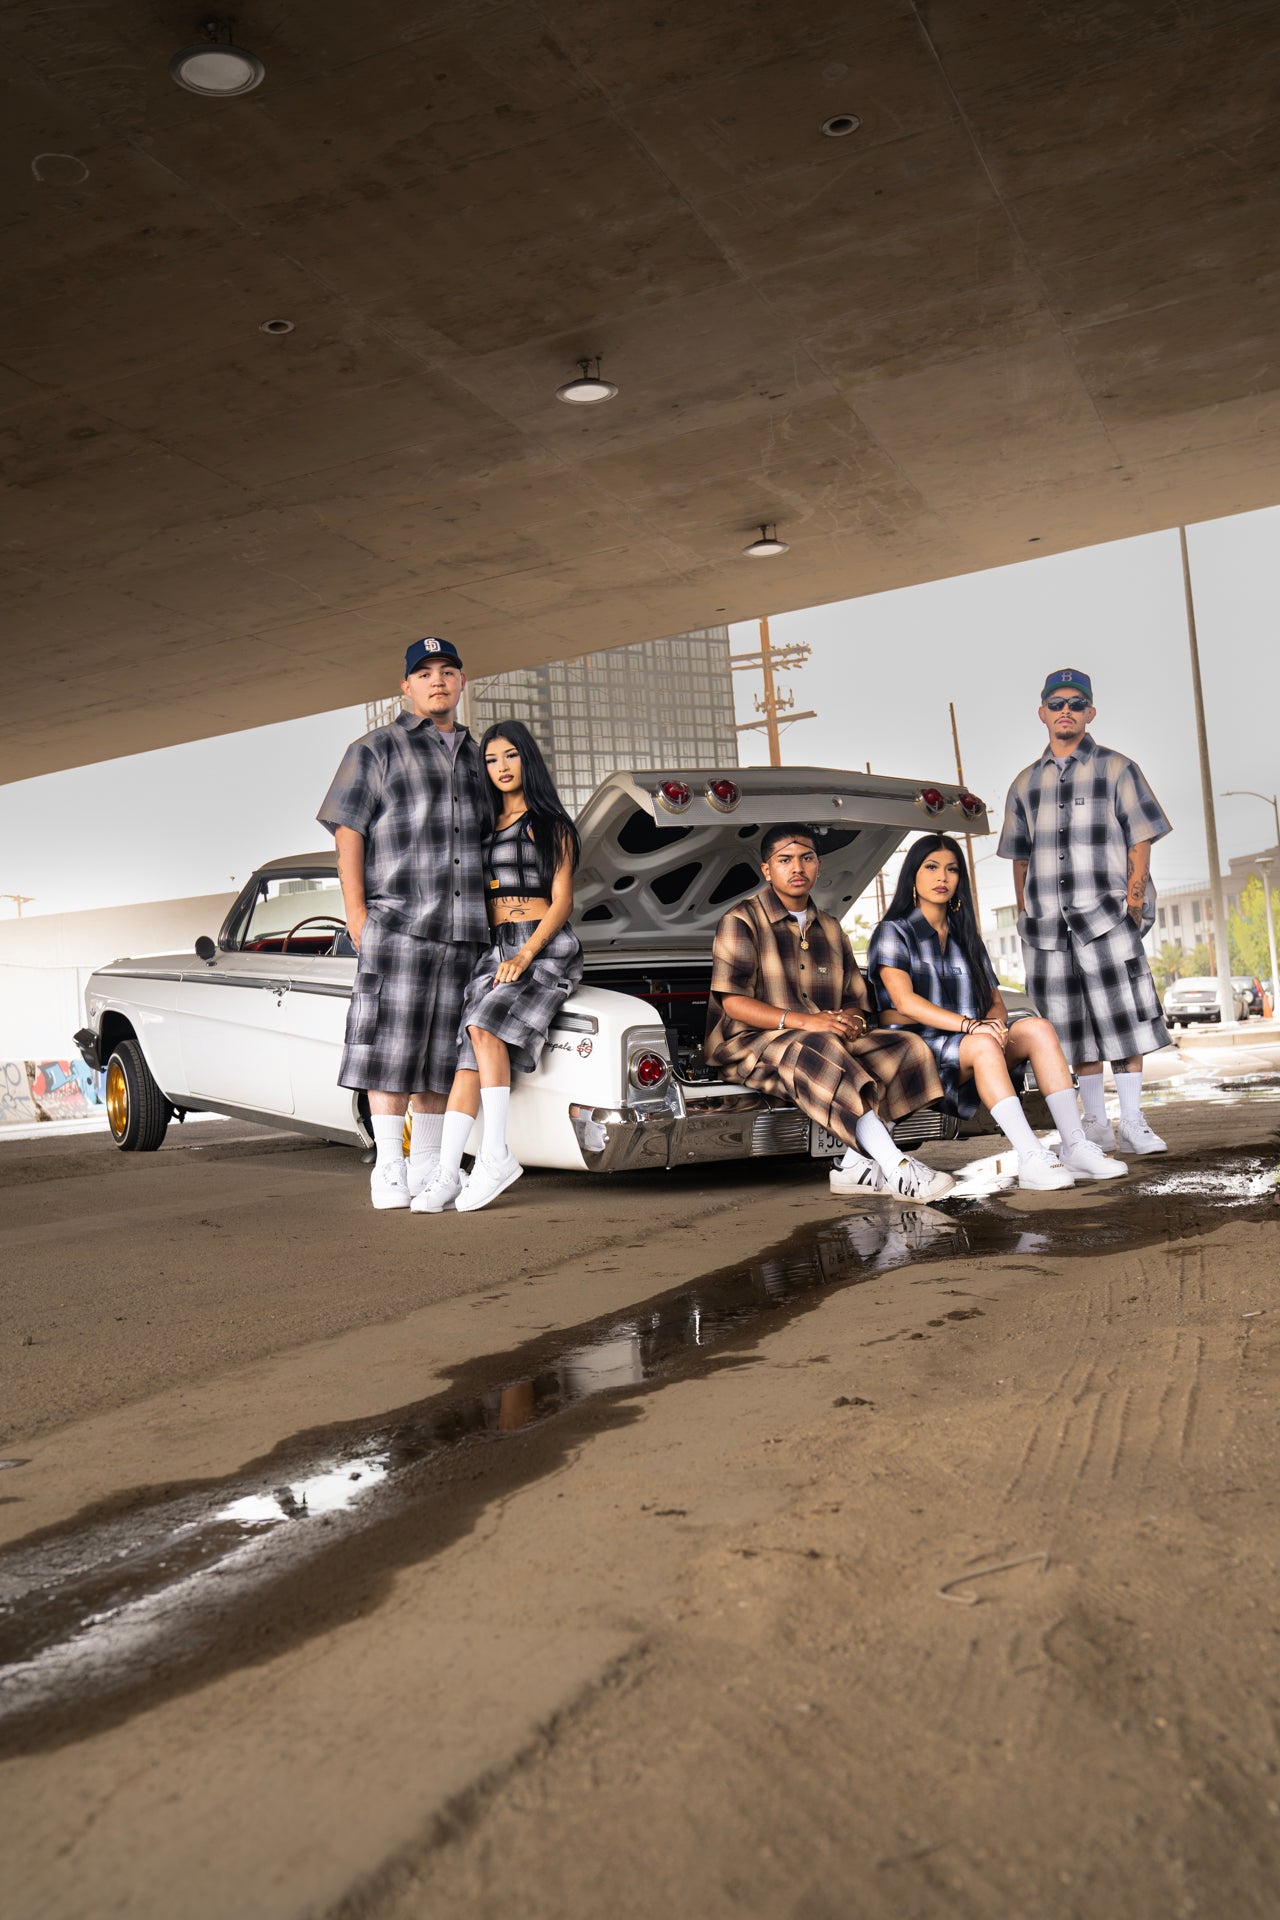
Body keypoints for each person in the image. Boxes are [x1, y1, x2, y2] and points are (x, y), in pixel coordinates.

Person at [318, 637, 487, 1209]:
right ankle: (387, 1167)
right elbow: (349, 832)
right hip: (398, 920)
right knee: (388, 1049)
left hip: (466, 928)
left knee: (442, 1055)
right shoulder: (374, 749)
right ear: (406, 687)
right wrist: (358, 915)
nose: (437, 681)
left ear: (462, 682)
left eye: (448, 671)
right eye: (425, 673)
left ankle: (428, 1169)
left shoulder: (480, 757)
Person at [704, 823, 956, 1202]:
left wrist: (852, 1020)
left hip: (824, 1040)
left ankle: (854, 1165)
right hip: (751, 1043)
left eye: (807, 858)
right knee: (817, 1046)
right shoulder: (741, 921)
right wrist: (808, 1022)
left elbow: (855, 998)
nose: (797, 868)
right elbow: (733, 1003)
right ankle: (897, 1167)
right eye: (785, 860)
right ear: (767, 869)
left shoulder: (832, 928)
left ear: (818, 866)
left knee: (906, 1047)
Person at [868, 835, 1128, 1190]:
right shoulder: (893, 931)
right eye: (931, 867)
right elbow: (904, 1002)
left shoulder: (965, 936)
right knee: (983, 1045)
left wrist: (994, 1022)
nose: (942, 877)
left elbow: (995, 1000)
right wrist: (972, 1027)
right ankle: (1031, 1156)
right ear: (912, 874)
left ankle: (1074, 1145)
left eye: (952, 869)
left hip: (968, 1044)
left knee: (1037, 1028)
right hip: (914, 1048)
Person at [999, 668, 1173, 1155]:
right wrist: (1025, 913)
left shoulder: (1118, 769)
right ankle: (1094, 1124)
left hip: (1106, 917)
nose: (1066, 711)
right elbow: (1019, 857)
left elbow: (1141, 837)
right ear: (1042, 713)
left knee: (1124, 1022)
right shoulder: (1024, 784)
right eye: (1056, 704)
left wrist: (1132, 903)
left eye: (1076, 703)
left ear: (1090, 712)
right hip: (1048, 929)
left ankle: (1134, 1122)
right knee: (1071, 1029)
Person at [414, 719, 583, 1215]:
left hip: (542, 946)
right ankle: (447, 1172)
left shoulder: (551, 823)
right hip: (496, 947)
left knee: (483, 1026)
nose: (500, 767)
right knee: (469, 1048)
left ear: (526, 758)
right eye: (490, 759)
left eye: (509, 756)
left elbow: (562, 900)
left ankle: (495, 1154)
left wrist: (527, 952)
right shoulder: (487, 825)